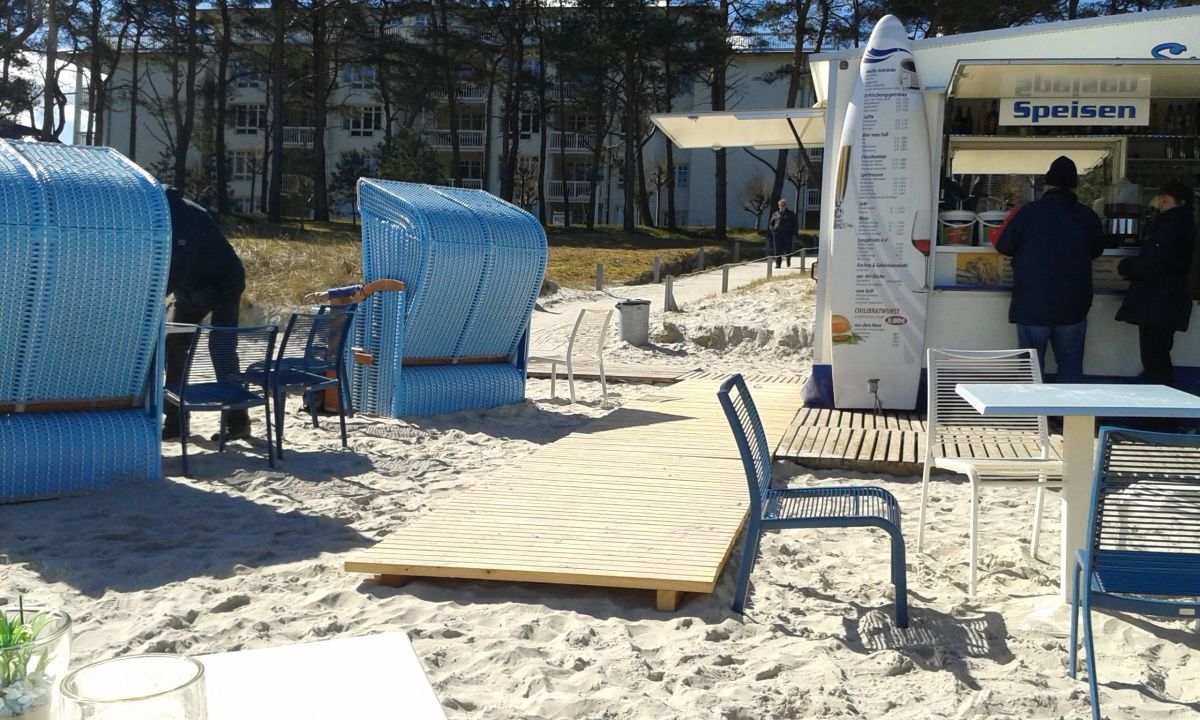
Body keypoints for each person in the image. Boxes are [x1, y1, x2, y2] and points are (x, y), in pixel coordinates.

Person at [996, 156, 1105, 382]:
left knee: (1031, 367)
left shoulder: (1028, 213)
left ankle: (1035, 415)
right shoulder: (1087, 216)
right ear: (1074, 186)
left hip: (1032, 302)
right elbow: (1096, 250)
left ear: (1047, 184)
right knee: (1071, 363)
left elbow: (1004, 245)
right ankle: (1068, 416)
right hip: (1073, 304)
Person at [163, 187, 249, 441]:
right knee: (174, 342)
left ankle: (238, 422)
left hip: (224, 283)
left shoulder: (188, 215)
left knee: (221, 348)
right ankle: (176, 421)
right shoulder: (156, 214)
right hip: (190, 288)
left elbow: (178, 262)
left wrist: (154, 296)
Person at [1116, 181, 1196, 388]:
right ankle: (1162, 415)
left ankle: (1159, 417)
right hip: (1171, 302)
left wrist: (1125, 266)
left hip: (1158, 303)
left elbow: (1150, 264)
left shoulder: (1170, 227)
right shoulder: (1185, 225)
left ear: (1180, 203)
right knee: (1159, 356)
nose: (1160, 205)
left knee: (1155, 360)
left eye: (1165, 201)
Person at [767, 198, 798, 269]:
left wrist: (795, 234)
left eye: (783, 205)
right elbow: (771, 223)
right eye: (780, 205)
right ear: (779, 205)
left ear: (785, 205)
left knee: (788, 249)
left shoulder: (791, 214)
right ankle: (778, 264)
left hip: (788, 234)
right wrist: (773, 231)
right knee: (777, 249)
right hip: (777, 234)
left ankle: (788, 260)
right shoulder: (775, 214)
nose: (782, 206)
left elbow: (795, 224)